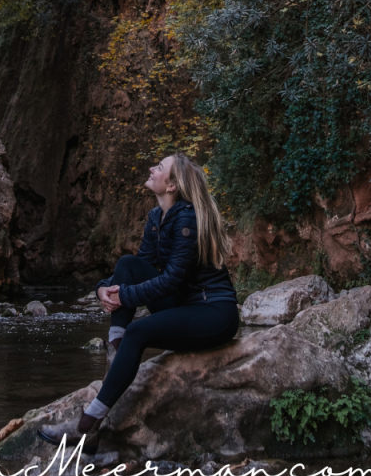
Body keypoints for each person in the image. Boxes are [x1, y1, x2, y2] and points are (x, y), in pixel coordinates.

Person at [38, 152, 239, 454]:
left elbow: (171, 281)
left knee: (138, 332)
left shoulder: (187, 218)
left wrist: (123, 296)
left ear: (172, 185)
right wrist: (102, 290)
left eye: (159, 168)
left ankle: (87, 428)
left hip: (213, 314)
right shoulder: (157, 218)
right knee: (128, 263)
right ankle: (115, 351)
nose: (151, 168)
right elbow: (138, 266)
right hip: (185, 306)